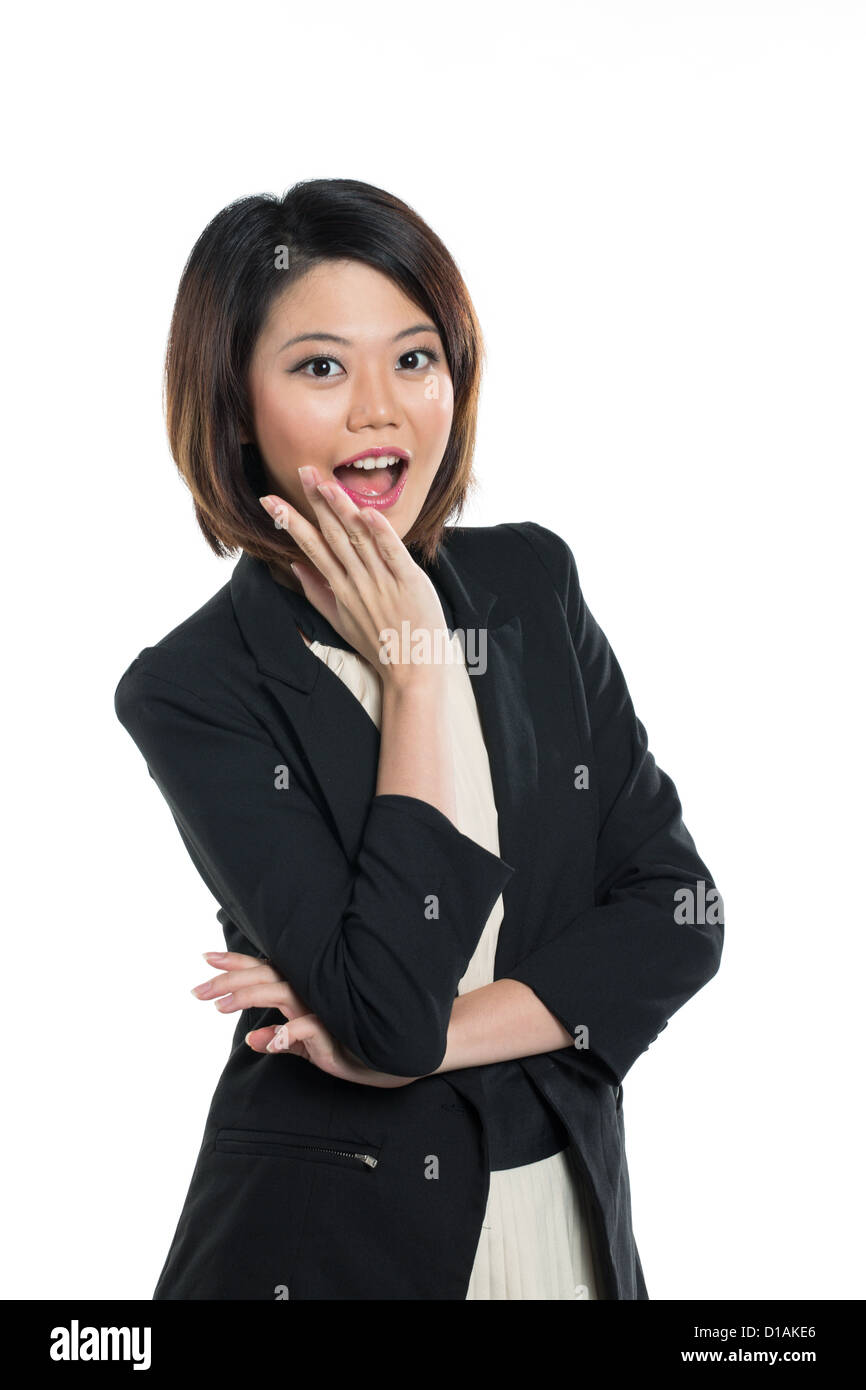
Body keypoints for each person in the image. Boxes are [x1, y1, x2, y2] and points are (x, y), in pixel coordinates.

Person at [114, 177, 723, 1300]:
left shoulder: (532, 583)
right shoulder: (193, 687)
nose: (378, 410)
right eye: (318, 366)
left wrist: (417, 1038)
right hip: (329, 1243)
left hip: (566, 1222)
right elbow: (385, 1000)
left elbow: (674, 919)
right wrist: (418, 674)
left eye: (413, 357)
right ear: (237, 405)